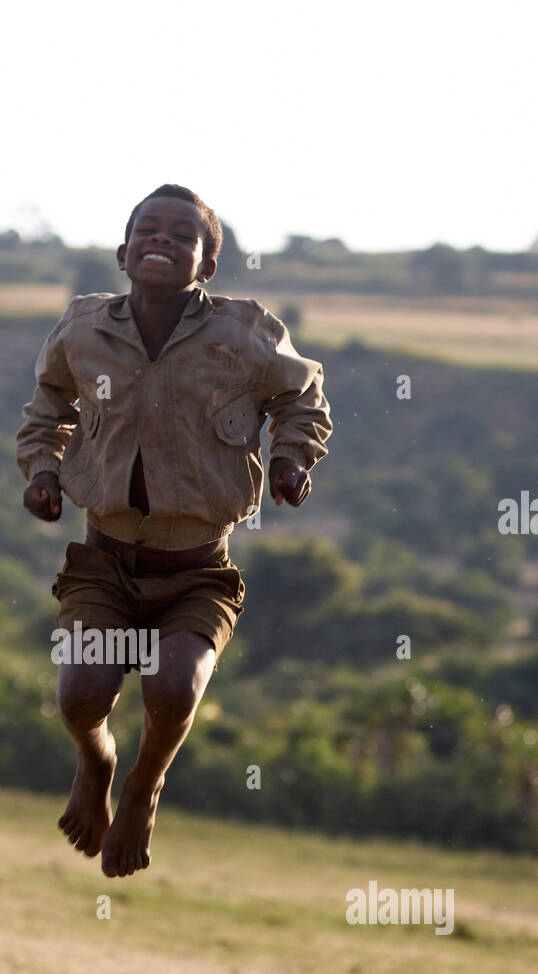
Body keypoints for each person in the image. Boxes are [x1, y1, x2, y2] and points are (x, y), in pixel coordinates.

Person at [17, 185, 332, 877]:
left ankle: (144, 785)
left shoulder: (244, 332)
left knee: (173, 689)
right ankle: (97, 761)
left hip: (195, 571)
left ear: (206, 264)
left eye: (183, 235)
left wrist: (289, 458)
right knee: (80, 696)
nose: (162, 241)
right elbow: (48, 405)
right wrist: (41, 471)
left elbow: (302, 395)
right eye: (148, 231)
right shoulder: (83, 329)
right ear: (125, 251)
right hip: (104, 562)